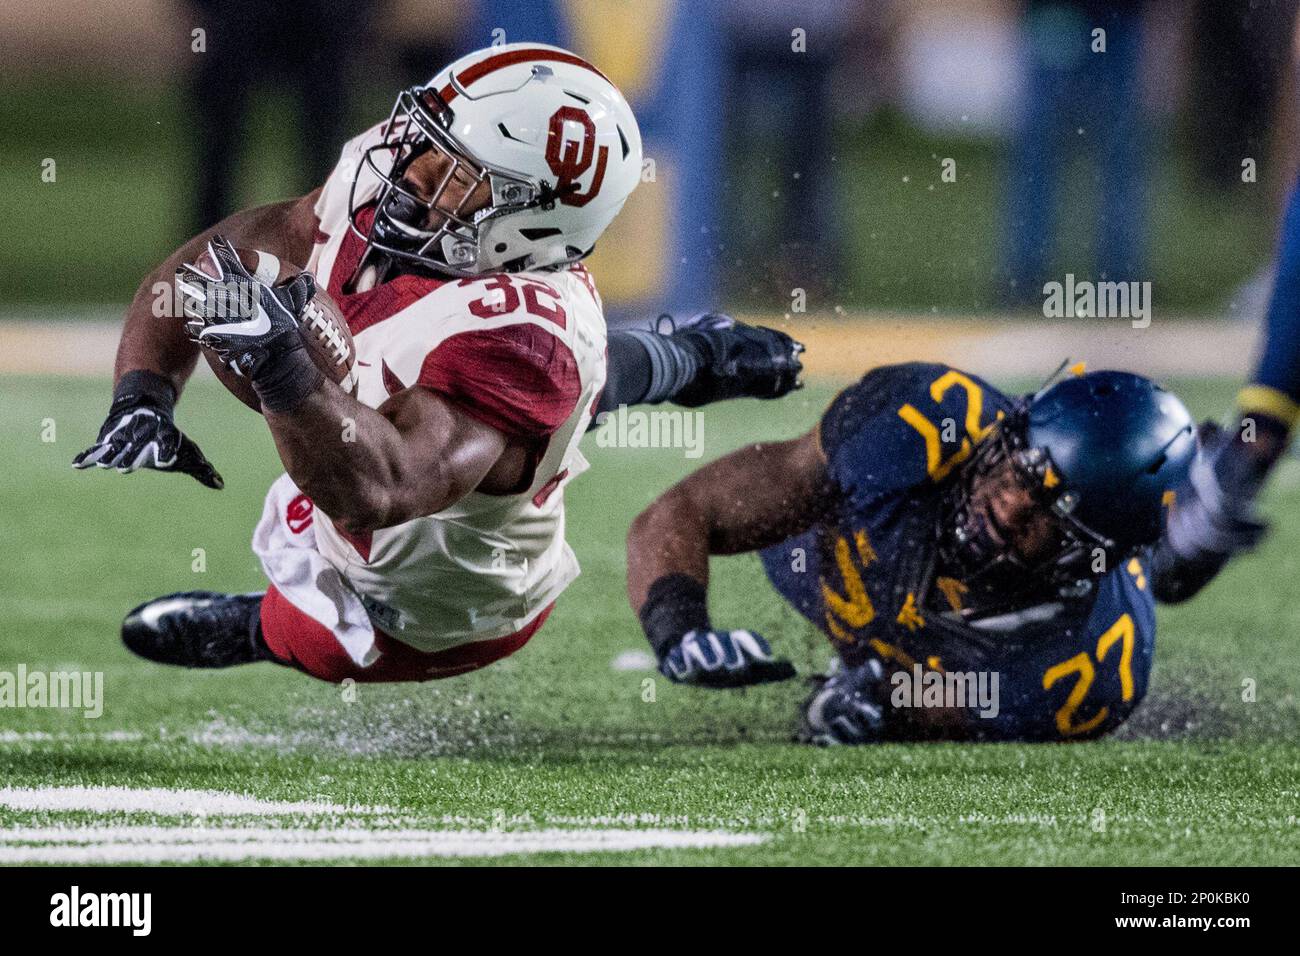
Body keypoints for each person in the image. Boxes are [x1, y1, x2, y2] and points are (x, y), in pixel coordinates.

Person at [73, 43, 803, 684]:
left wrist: (280, 366)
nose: (413, 171)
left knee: (331, 636)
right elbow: (213, 259)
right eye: (426, 142)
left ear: (531, 218)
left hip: (449, 589)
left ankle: (256, 627)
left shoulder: (526, 335)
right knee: (570, 386)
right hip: (432, 397)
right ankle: (695, 356)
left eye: (454, 171)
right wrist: (143, 394)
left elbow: (380, 489)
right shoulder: (399, 175)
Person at [627, 362, 1196, 742]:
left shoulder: (1091, 670)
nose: (1011, 505)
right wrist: (680, 631)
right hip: (813, 560)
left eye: (1049, 518)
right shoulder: (920, 426)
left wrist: (862, 704)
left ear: (1092, 557)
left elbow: (931, 708)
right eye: (1021, 470)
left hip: (939, 652)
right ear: (1010, 432)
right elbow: (683, 511)